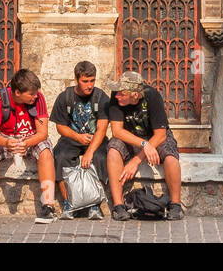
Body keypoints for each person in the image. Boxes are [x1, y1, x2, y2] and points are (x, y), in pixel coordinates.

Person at [0, 68, 58, 224]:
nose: (36, 96)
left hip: (31, 138)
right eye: (31, 94)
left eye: (36, 93)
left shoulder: (38, 99)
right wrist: (7, 143)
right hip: (6, 137)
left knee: (46, 150)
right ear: (17, 93)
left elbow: (42, 133)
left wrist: (26, 143)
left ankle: (48, 205)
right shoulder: (1, 99)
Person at [105, 71, 184, 220]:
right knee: (113, 150)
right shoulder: (116, 97)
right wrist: (144, 144)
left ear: (135, 95)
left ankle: (176, 204)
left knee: (171, 157)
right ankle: (118, 206)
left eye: (122, 94)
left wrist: (136, 161)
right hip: (130, 137)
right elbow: (117, 131)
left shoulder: (152, 96)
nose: (117, 96)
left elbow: (160, 134)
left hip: (155, 136)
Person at [49, 60, 111, 220]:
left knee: (102, 157)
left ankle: (95, 205)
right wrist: (78, 137)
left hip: (96, 138)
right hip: (72, 138)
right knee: (60, 156)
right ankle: (69, 204)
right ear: (76, 80)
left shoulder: (101, 97)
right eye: (85, 81)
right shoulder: (65, 97)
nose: (89, 85)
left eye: (92, 81)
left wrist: (90, 152)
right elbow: (60, 127)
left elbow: (102, 128)